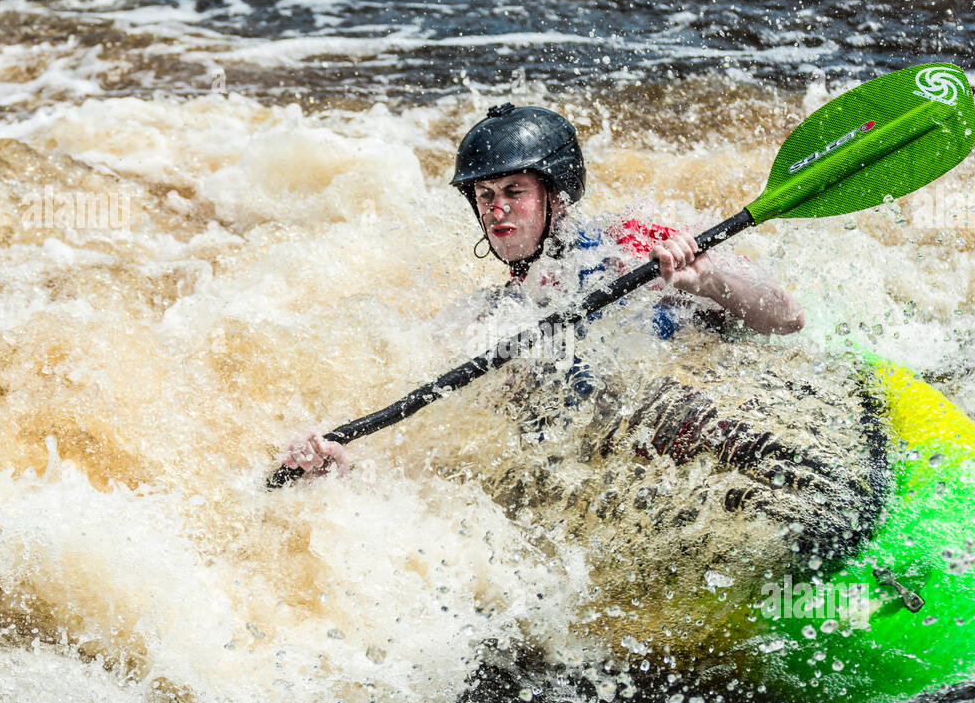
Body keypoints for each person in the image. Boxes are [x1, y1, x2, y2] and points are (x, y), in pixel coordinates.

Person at [283, 103, 804, 476]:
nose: (496, 208)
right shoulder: (495, 314)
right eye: (485, 195)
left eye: (514, 191)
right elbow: (439, 430)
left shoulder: (632, 247)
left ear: (556, 195)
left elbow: (787, 318)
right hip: (608, 458)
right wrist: (340, 461)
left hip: (716, 405)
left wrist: (706, 280)